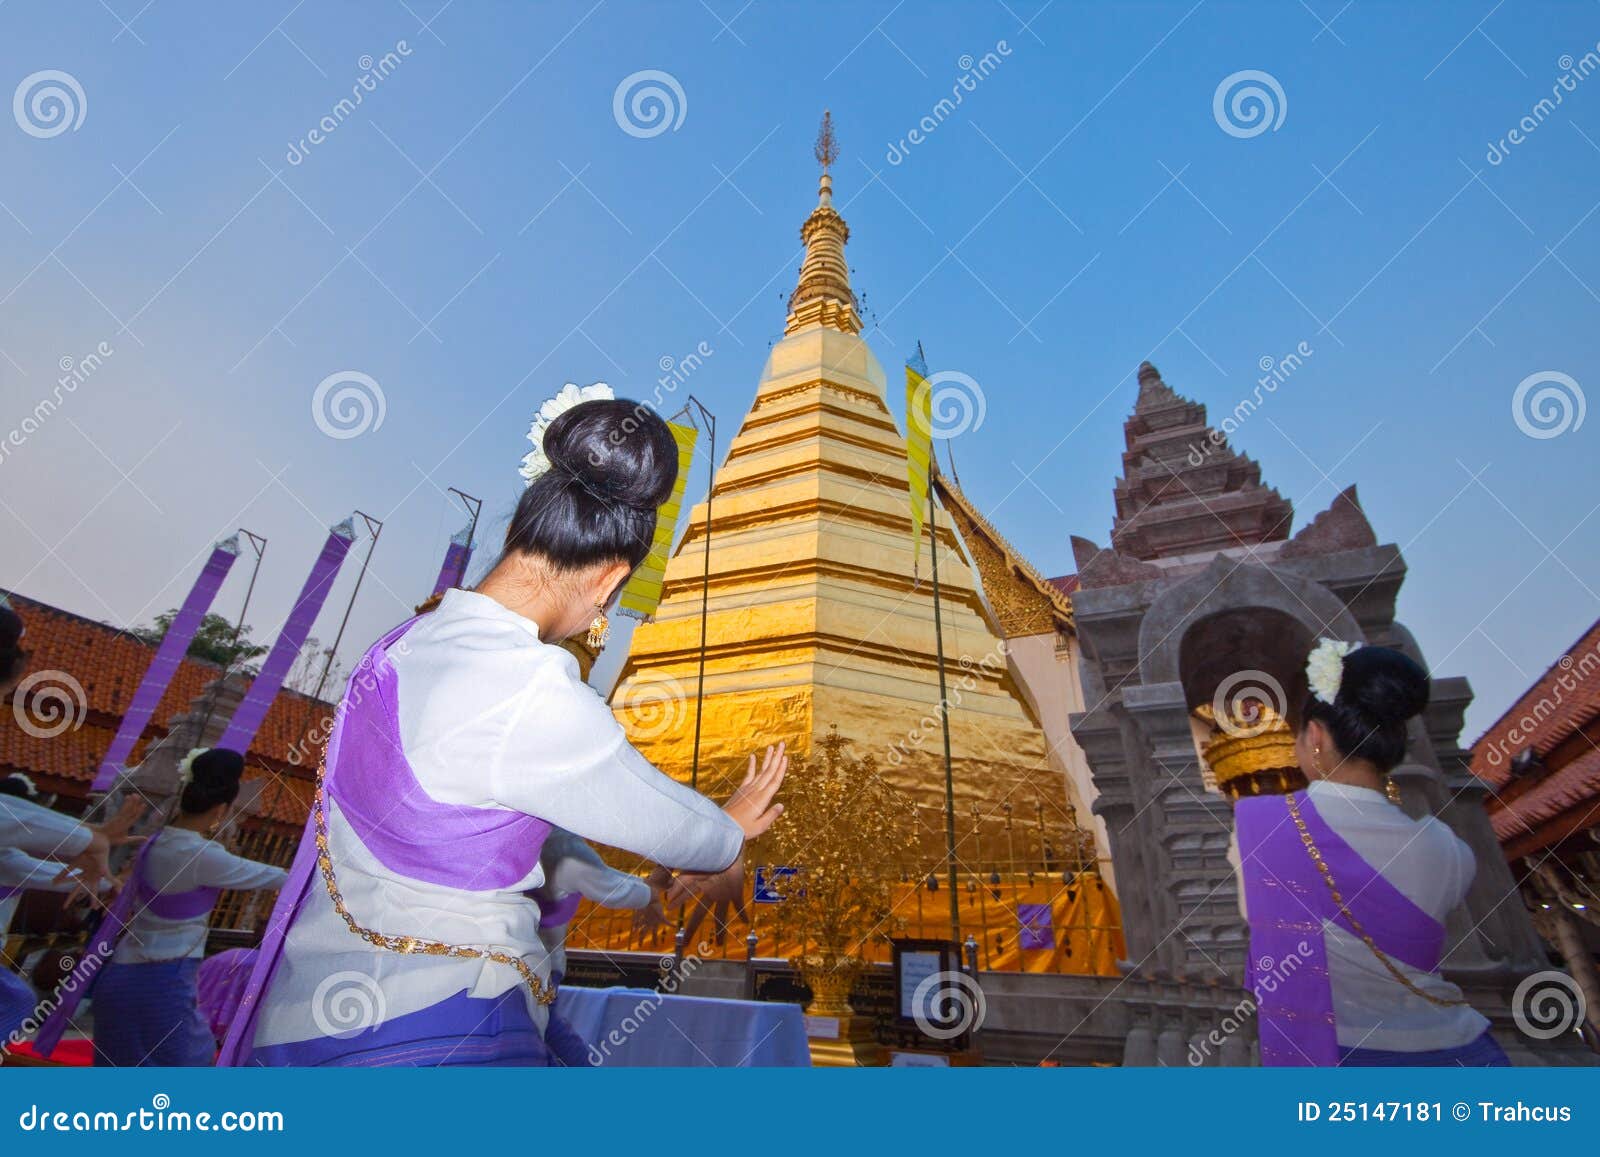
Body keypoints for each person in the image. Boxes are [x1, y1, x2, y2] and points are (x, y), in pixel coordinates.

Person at [221, 395, 786, 1067]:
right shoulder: (529, 689)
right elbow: (677, 827)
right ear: (611, 579)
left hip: (302, 1021)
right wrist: (729, 832)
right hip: (432, 1024)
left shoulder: (403, 643)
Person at [1231, 640, 1506, 1066]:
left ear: (1316, 738)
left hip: (1334, 1058)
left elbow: (1260, 919)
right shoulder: (1450, 851)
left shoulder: (1258, 828)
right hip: (1464, 1055)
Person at [70, 748, 288, 1066]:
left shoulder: (152, 844)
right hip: (163, 984)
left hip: (119, 975)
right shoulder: (202, 856)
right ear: (222, 809)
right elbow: (281, 878)